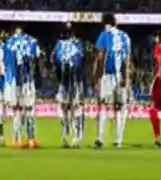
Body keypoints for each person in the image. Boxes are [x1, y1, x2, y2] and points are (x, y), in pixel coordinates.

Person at [94, 13, 131, 149]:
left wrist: (96, 77)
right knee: (120, 108)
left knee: (104, 106)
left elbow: (100, 56)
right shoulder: (125, 37)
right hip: (120, 76)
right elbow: (127, 60)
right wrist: (127, 80)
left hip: (107, 76)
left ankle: (100, 137)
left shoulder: (104, 35)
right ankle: (118, 140)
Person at [6, 26, 40, 149]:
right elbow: (37, 59)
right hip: (28, 81)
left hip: (14, 81)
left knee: (16, 110)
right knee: (30, 110)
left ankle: (17, 140)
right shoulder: (31, 41)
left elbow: (7, 63)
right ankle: (31, 139)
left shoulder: (9, 43)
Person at [53, 23, 85, 148]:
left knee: (62, 107)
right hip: (76, 82)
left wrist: (59, 79)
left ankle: (65, 133)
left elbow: (54, 62)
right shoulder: (78, 45)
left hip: (63, 83)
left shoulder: (59, 46)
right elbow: (82, 63)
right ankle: (77, 137)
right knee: (77, 108)